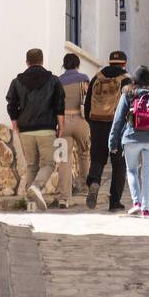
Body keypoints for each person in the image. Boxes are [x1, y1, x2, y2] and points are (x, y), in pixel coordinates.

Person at [6, 47, 65, 211]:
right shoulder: (53, 80)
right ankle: (37, 187)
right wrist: (61, 126)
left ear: (27, 62)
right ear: (42, 61)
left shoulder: (17, 82)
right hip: (46, 129)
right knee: (49, 163)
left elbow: (11, 105)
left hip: (25, 130)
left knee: (32, 165)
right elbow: (59, 105)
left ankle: (31, 204)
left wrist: (15, 123)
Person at [109, 65, 149, 217]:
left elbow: (118, 120)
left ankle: (136, 202)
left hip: (132, 137)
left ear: (134, 79)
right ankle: (146, 209)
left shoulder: (128, 93)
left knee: (132, 170)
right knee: (147, 174)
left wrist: (112, 142)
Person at [83, 49, 132, 210]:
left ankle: (95, 182)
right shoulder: (126, 80)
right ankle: (114, 202)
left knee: (97, 159)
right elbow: (130, 106)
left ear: (109, 62)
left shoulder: (97, 78)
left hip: (97, 123)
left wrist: (92, 123)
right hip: (117, 126)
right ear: (124, 64)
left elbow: (88, 104)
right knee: (119, 165)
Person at [56, 52, 91, 208]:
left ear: (64, 65)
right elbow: (88, 101)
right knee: (85, 153)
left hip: (63, 123)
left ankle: (64, 197)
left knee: (64, 159)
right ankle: (85, 188)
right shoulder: (83, 79)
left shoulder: (57, 81)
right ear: (77, 65)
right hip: (80, 120)